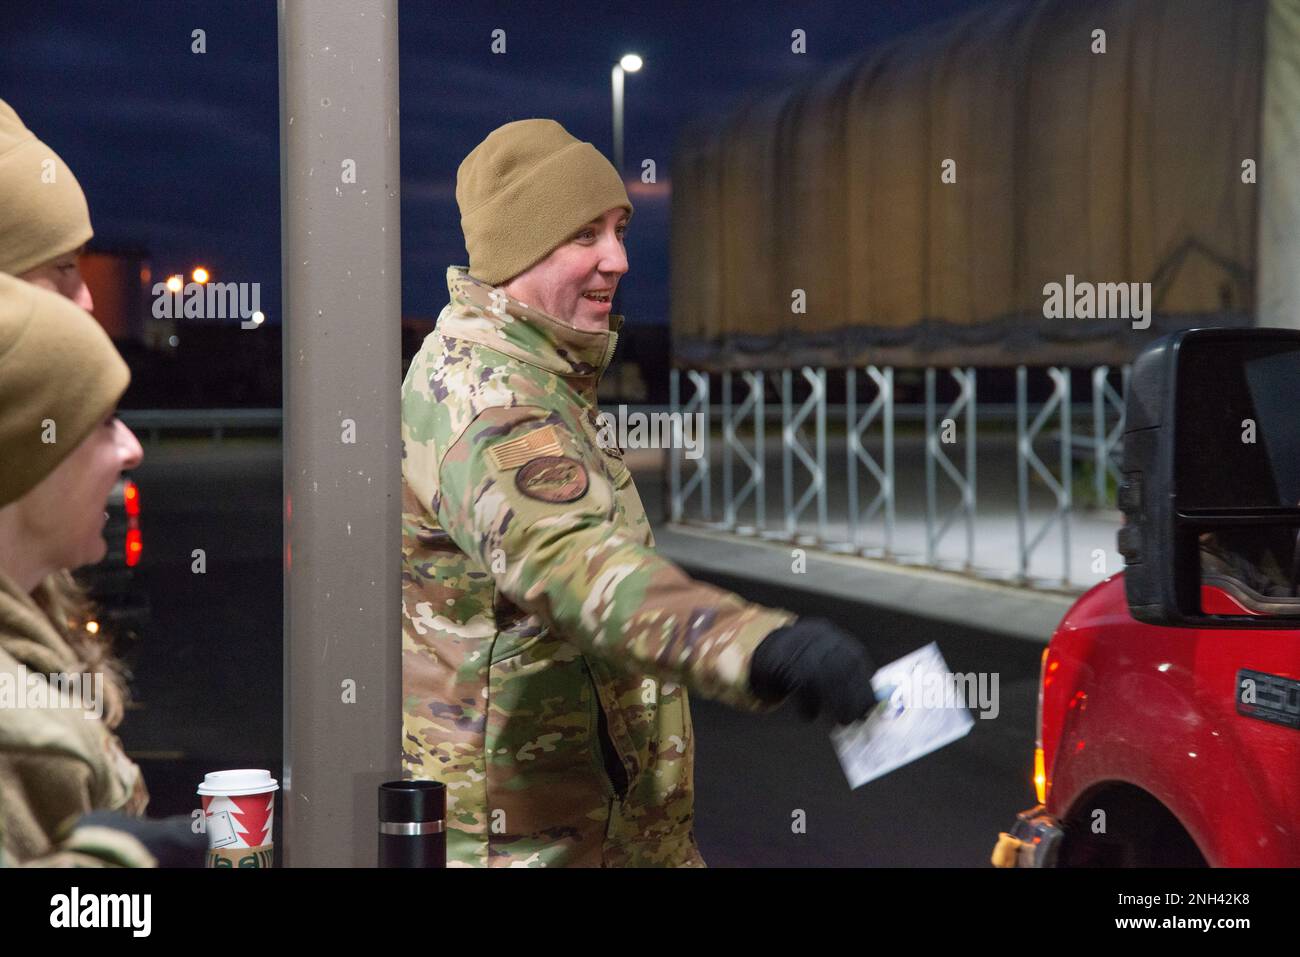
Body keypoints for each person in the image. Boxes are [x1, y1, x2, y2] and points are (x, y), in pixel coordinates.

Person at [401, 118, 877, 867]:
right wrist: (760, 644)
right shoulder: (485, 396)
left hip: (615, 835)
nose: (617, 259)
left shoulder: (546, 379)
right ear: (516, 250)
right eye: (585, 235)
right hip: (533, 849)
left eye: (619, 228)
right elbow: (571, 560)